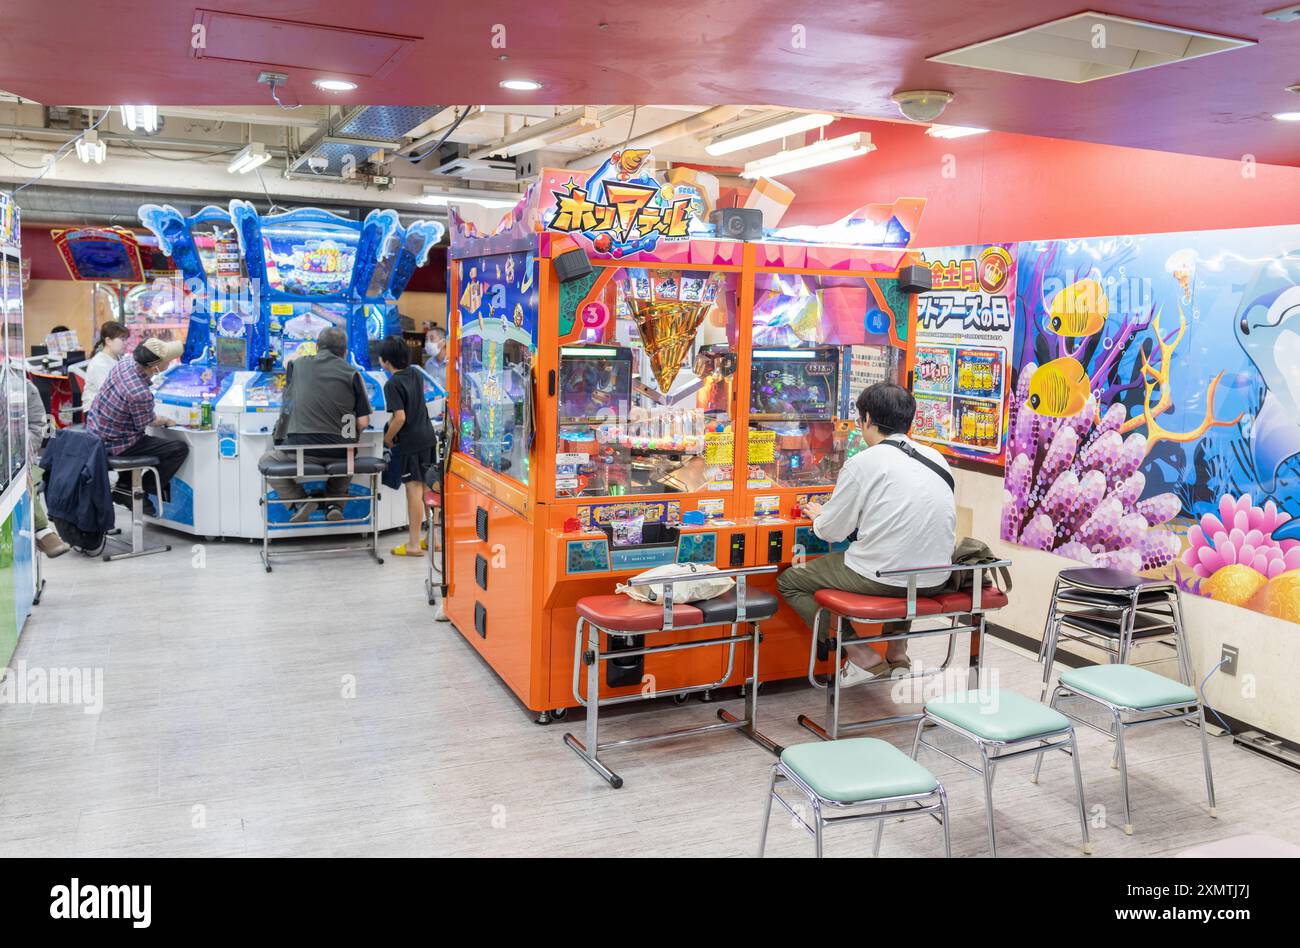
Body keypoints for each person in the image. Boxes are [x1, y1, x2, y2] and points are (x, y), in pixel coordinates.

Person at [776, 382, 956, 687]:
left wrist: (820, 516)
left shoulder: (863, 463)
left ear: (867, 419)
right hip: (936, 576)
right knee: (907, 563)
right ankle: (898, 654)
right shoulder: (937, 459)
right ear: (908, 420)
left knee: (790, 581)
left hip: (882, 576)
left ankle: (862, 657)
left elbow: (833, 530)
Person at [262, 326, 371, 523]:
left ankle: (299, 501)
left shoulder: (297, 365)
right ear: (345, 352)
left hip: (301, 449)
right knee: (349, 456)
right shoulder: (353, 374)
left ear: (317, 347)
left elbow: (287, 404)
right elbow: (363, 422)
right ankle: (334, 503)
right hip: (340, 450)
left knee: (265, 461)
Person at [83, 337, 189, 514]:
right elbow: (148, 422)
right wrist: (166, 420)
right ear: (155, 367)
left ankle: (124, 485)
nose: (171, 362)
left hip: (95, 433)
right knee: (178, 449)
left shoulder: (124, 363)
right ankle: (138, 491)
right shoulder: (139, 392)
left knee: (138, 437)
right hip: (114, 444)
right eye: (168, 360)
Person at [378, 335, 436, 557]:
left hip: (410, 441)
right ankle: (432, 539)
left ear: (385, 361)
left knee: (413, 490)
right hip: (427, 436)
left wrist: (388, 438)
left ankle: (413, 544)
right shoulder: (415, 373)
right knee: (429, 489)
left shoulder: (392, 383)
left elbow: (400, 417)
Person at [25, 378, 69, 557]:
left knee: (25, 479)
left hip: (14, 456)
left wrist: (22, 447)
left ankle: (42, 530)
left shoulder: (21, 385)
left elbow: (37, 425)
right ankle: (43, 531)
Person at [82, 320, 131, 408]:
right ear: (108, 341)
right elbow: (110, 394)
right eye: (122, 339)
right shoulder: (99, 363)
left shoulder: (118, 357)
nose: (126, 343)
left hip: (111, 406)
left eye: (126, 339)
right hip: (97, 412)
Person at [423, 325, 448, 392]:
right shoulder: (428, 363)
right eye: (426, 339)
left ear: (443, 342)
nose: (428, 343)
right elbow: (426, 387)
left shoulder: (454, 363)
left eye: (432, 339)